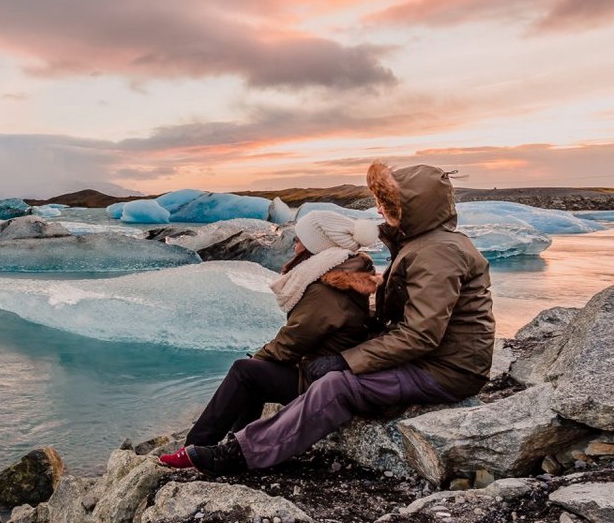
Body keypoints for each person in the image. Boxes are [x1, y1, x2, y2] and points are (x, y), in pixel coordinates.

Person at [163, 161, 495, 476]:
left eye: (388, 204)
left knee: (337, 386)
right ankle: (221, 444)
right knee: (290, 375)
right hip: (434, 360)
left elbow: (421, 334)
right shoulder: (422, 245)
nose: (379, 210)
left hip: (446, 371)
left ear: (414, 206)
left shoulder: (437, 251)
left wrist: (345, 361)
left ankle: (241, 455)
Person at [160, 208, 382, 466]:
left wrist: (260, 357)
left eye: (300, 239)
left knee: (245, 371)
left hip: (319, 380)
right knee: (256, 370)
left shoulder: (326, 289)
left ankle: (194, 448)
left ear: (317, 247)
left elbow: (293, 341)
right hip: (323, 369)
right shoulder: (344, 275)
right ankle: (236, 445)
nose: (295, 243)